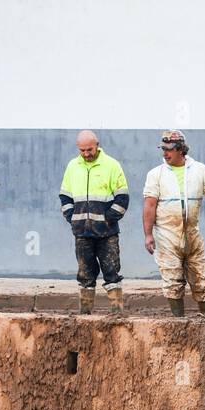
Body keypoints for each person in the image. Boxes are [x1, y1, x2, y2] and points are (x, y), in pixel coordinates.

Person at [143, 130, 205, 317]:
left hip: (192, 234)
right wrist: (148, 234)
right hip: (166, 235)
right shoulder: (156, 174)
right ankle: (178, 320)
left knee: (202, 278)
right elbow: (149, 205)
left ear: (181, 149)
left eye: (169, 149)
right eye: (163, 149)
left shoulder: (200, 170)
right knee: (172, 279)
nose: (165, 153)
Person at [59, 131, 130, 313]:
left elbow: (122, 198)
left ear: (97, 145)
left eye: (89, 149)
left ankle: (117, 314)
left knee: (112, 273)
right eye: (82, 150)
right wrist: (72, 218)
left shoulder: (112, 165)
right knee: (85, 275)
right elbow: (65, 197)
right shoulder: (72, 166)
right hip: (82, 233)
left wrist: (108, 219)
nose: (86, 154)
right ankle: (85, 316)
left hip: (107, 234)